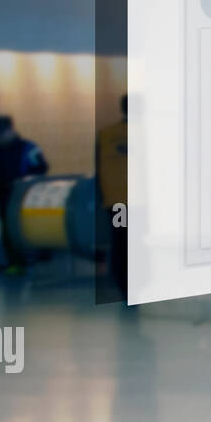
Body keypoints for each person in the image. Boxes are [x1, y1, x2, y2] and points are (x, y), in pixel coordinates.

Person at [0, 115, 48, 273]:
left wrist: (23, 180)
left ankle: (29, 259)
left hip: (24, 196)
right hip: (4, 196)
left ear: (10, 130)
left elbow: (41, 168)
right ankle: (15, 262)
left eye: (1, 134)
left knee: (24, 228)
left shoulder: (28, 148)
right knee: (8, 231)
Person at [96, 94, 128, 296]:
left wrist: (103, 197)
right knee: (138, 243)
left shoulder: (105, 135)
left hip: (116, 202)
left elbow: (98, 168)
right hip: (140, 203)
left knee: (120, 241)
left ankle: (123, 286)